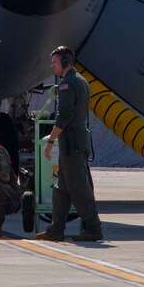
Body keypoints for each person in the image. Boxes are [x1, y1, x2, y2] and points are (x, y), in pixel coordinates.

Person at [35, 45, 104, 242]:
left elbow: (64, 116)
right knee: (62, 188)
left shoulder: (66, 84)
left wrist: (50, 140)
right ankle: (56, 229)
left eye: (55, 62)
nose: (53, 66)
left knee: (79, 188)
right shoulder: (81, 81)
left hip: (72, 145)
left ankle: (93, 228)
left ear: (65, 62)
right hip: (76, 143)